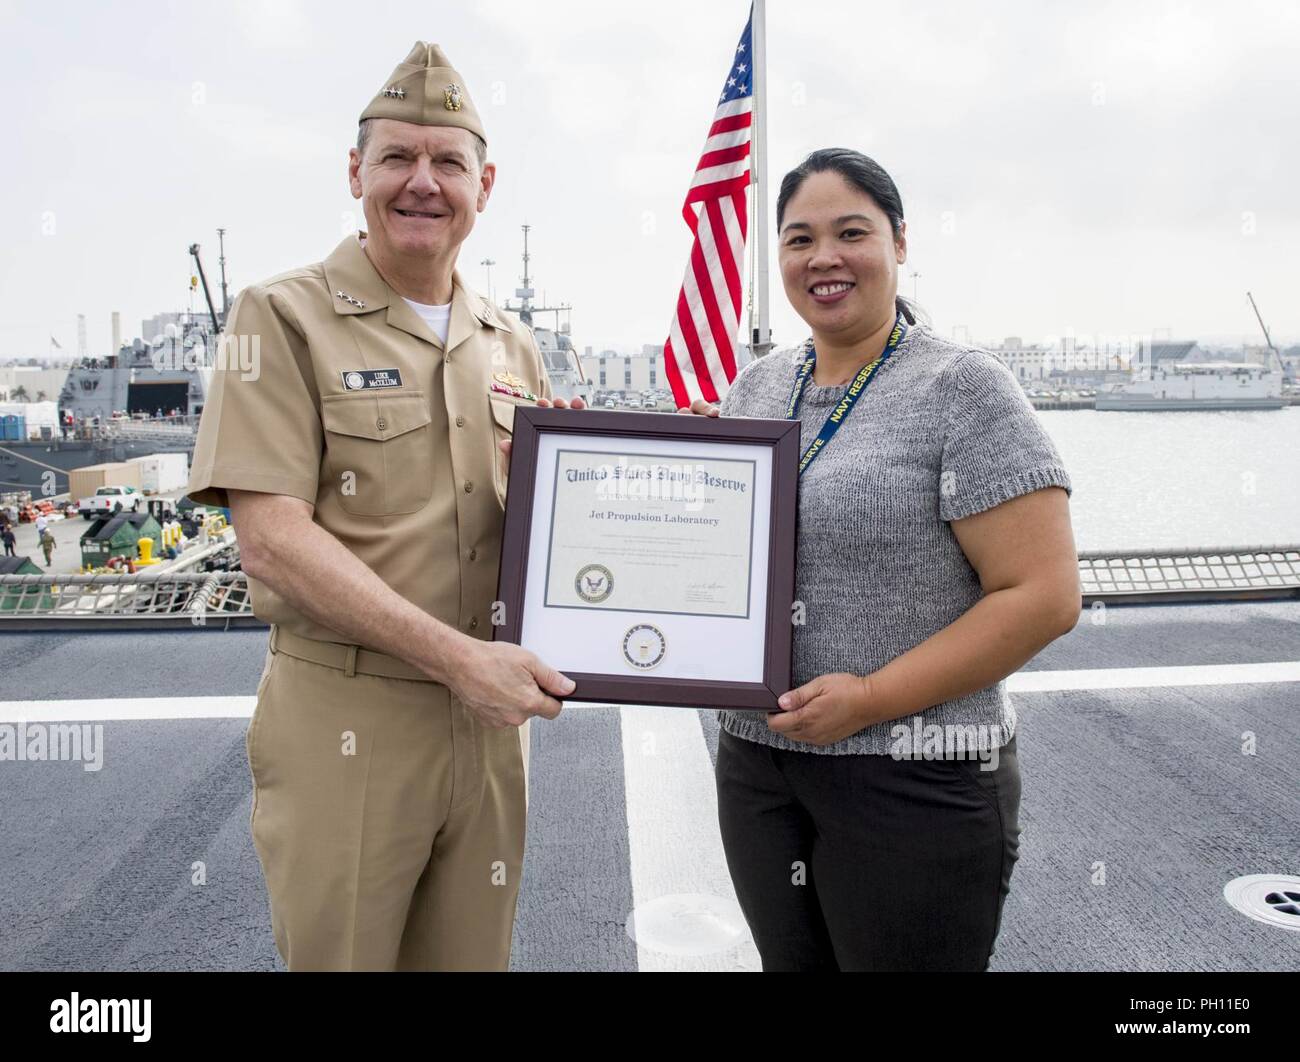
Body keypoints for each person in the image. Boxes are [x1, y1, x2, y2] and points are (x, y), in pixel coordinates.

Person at [186, 41, 584, 973]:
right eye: (397, 158)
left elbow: (518, 530)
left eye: (447, 163)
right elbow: (273, 543)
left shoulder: (511, 345)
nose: (422, 182)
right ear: (354, 172)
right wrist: (461, 663)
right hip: (349, 717)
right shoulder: (280, 317)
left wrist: (573, 488)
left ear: (484, 187)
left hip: (488, 729)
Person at [681, 148, 1080, 971]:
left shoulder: (965, 389)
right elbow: (711, 546)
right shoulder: (757, 389)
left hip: (915, 781)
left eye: (850, 232)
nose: (823, 258)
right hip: (759, 768)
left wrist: (870, 697)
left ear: (900, 243)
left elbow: (1042, 595)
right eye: (798, 240)